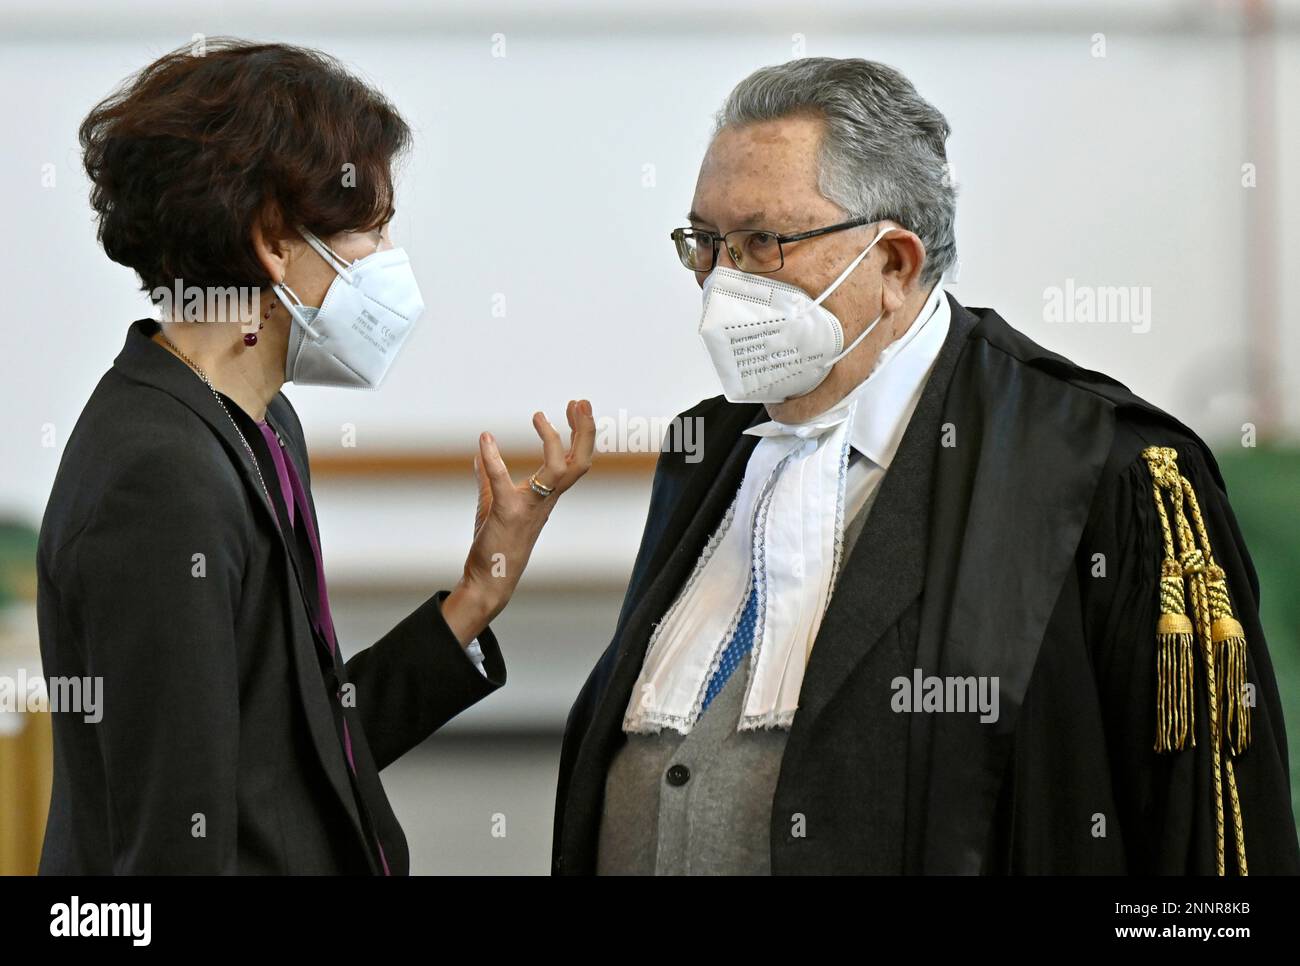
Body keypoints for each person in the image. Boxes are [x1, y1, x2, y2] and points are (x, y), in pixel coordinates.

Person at [552, 56, 1299, 874]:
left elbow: (1206, 848)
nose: (723, 281)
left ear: (895, 265)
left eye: (762, 242)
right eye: (707, 242)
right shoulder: (710, 450)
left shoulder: (1108, 472)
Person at [37, 39, 594, 875]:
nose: (389, 264)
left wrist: (477, 596)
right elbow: (172, 845)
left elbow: (297, 751)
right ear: (272, 239)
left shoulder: (258, 424)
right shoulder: (160, 477)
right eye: (372, 232)